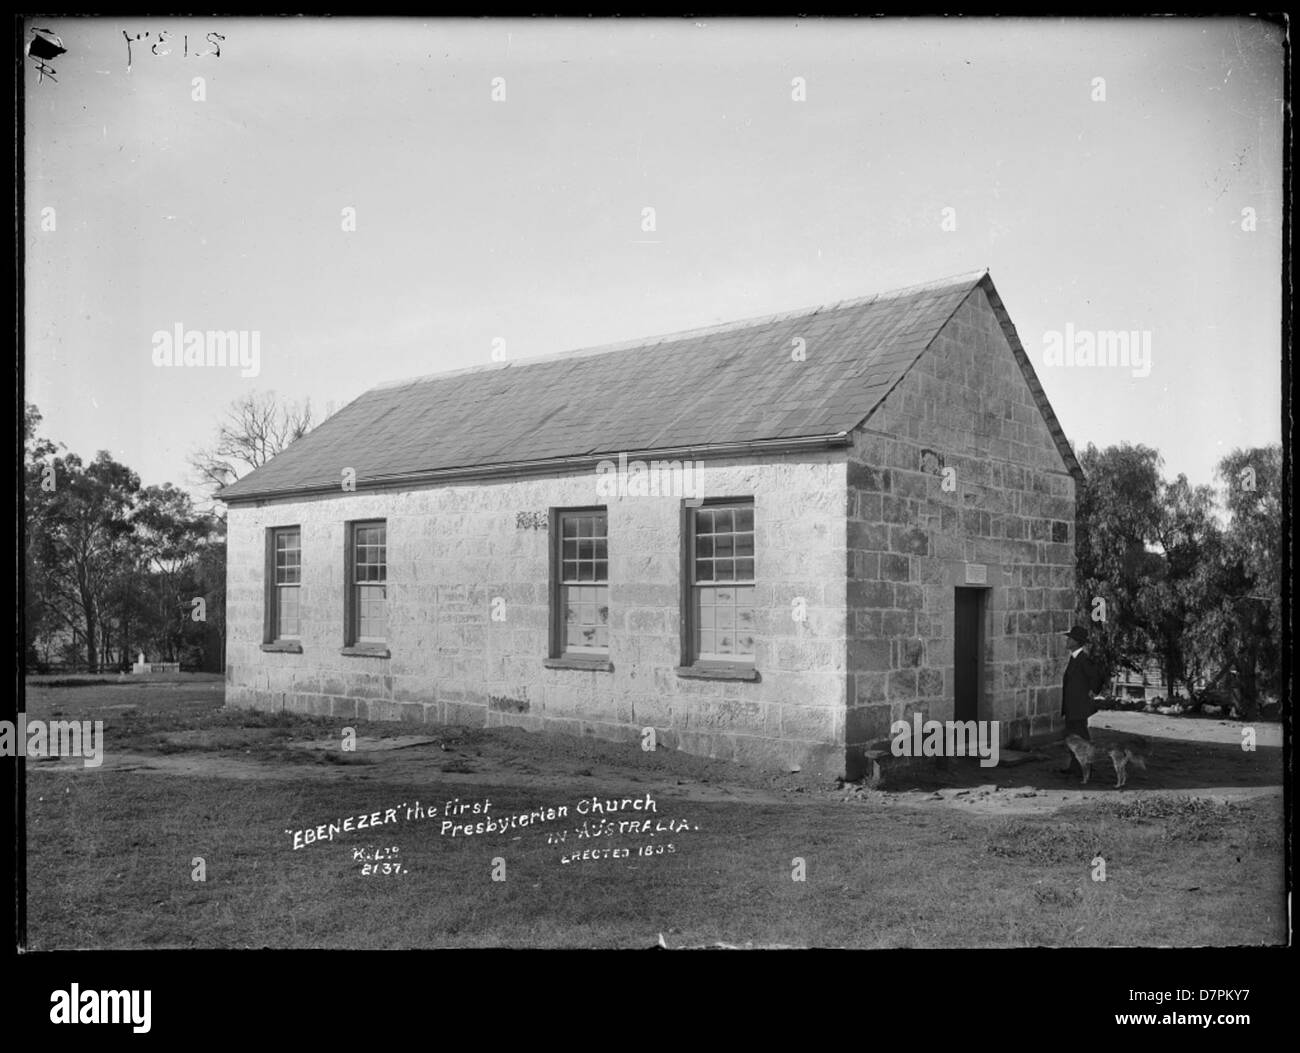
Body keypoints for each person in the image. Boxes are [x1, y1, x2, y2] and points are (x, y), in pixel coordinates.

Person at [1060, 625, 1105, 775]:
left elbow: (1097, 676)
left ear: (1077, 642)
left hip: (1078, 707)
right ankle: (1076, 766)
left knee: (1081, 737)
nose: (1067, 641)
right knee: (1073, 738)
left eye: (1070, 639)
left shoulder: (1084, 660)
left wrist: (1092, 692)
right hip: (1071, 706)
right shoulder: (1074, 658)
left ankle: (1087, 766)